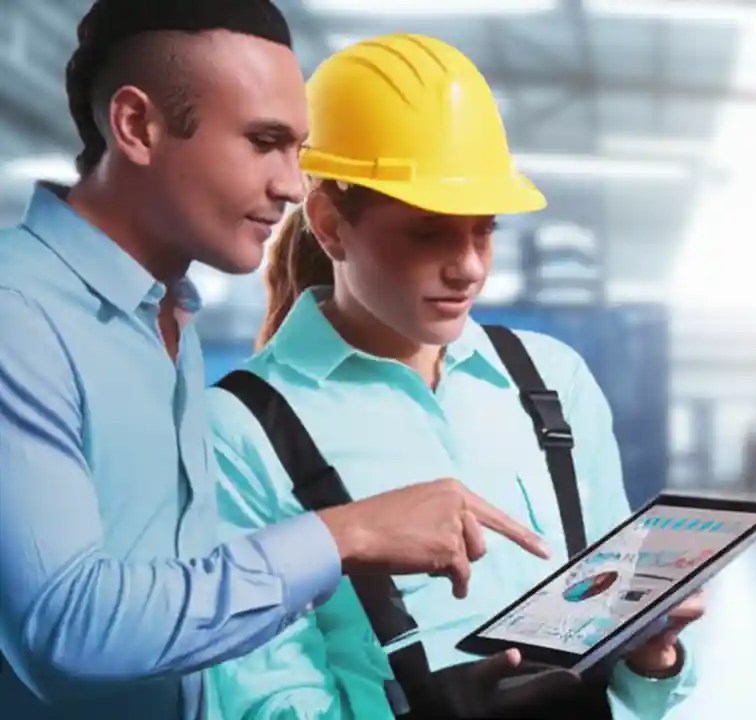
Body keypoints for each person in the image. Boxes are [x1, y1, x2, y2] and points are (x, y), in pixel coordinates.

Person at [0, 4, 550, 719]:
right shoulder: (19, 314)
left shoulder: (163, 319)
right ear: (136, 126)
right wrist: (348, 532)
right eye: (265, 142)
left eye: (298, 149)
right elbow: (65, 629)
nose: (293, 185)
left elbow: (185, 615)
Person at [206, 34, 702, 720]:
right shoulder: (241, 429)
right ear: (329, 225)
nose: (468, 265)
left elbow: (624, 648)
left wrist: (652, 653)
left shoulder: (552, 382)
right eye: (428, 232)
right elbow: (261, 698)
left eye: (483, 230)